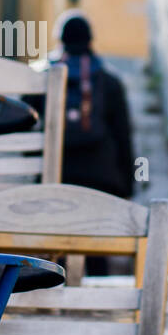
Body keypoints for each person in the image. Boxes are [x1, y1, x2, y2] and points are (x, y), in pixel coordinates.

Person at [48, 14, 135, 273]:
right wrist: (127, 183)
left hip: (58, 175)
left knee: (57, 240)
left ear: (60, 39)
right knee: (96, 244)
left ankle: (55, 290)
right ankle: (100, 295)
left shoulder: (43, 77)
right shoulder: (110, 82)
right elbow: (123, 134)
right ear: (90, 40)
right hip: (101, 176)